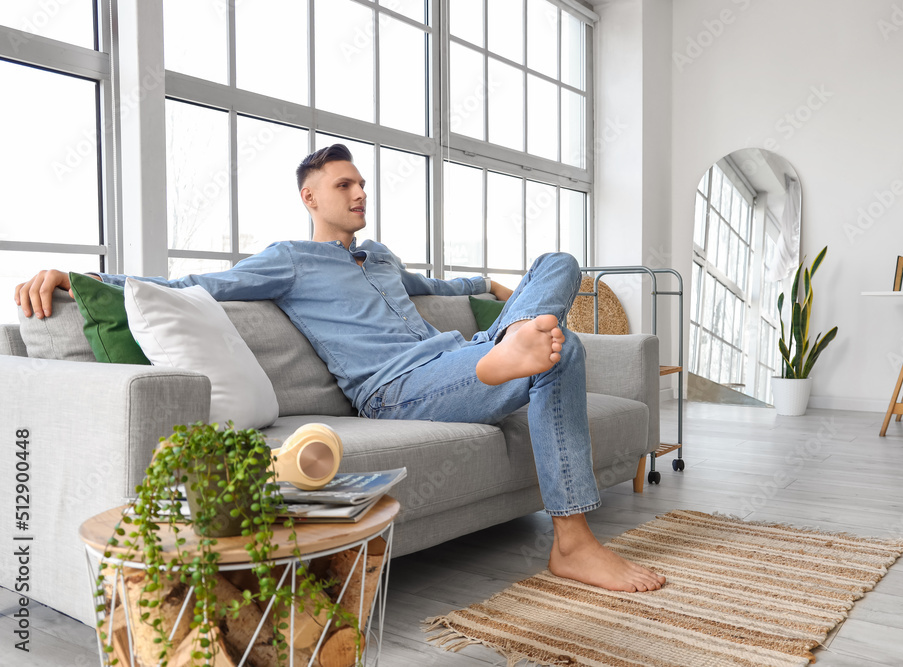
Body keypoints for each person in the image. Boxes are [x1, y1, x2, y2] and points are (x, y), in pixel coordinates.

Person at [15, 145, 665, 593]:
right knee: (564, 352)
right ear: (310, 196)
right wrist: (85, 278)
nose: (359, 194)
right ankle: (572, 542)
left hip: (456, 355)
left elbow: (436, 283)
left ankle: (512, 344)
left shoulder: (379, 257)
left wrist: (492, 290)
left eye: (362, 185)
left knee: (557, 262)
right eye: (344, 186)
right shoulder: (290, 259)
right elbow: (196, 284)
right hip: (397, 389)